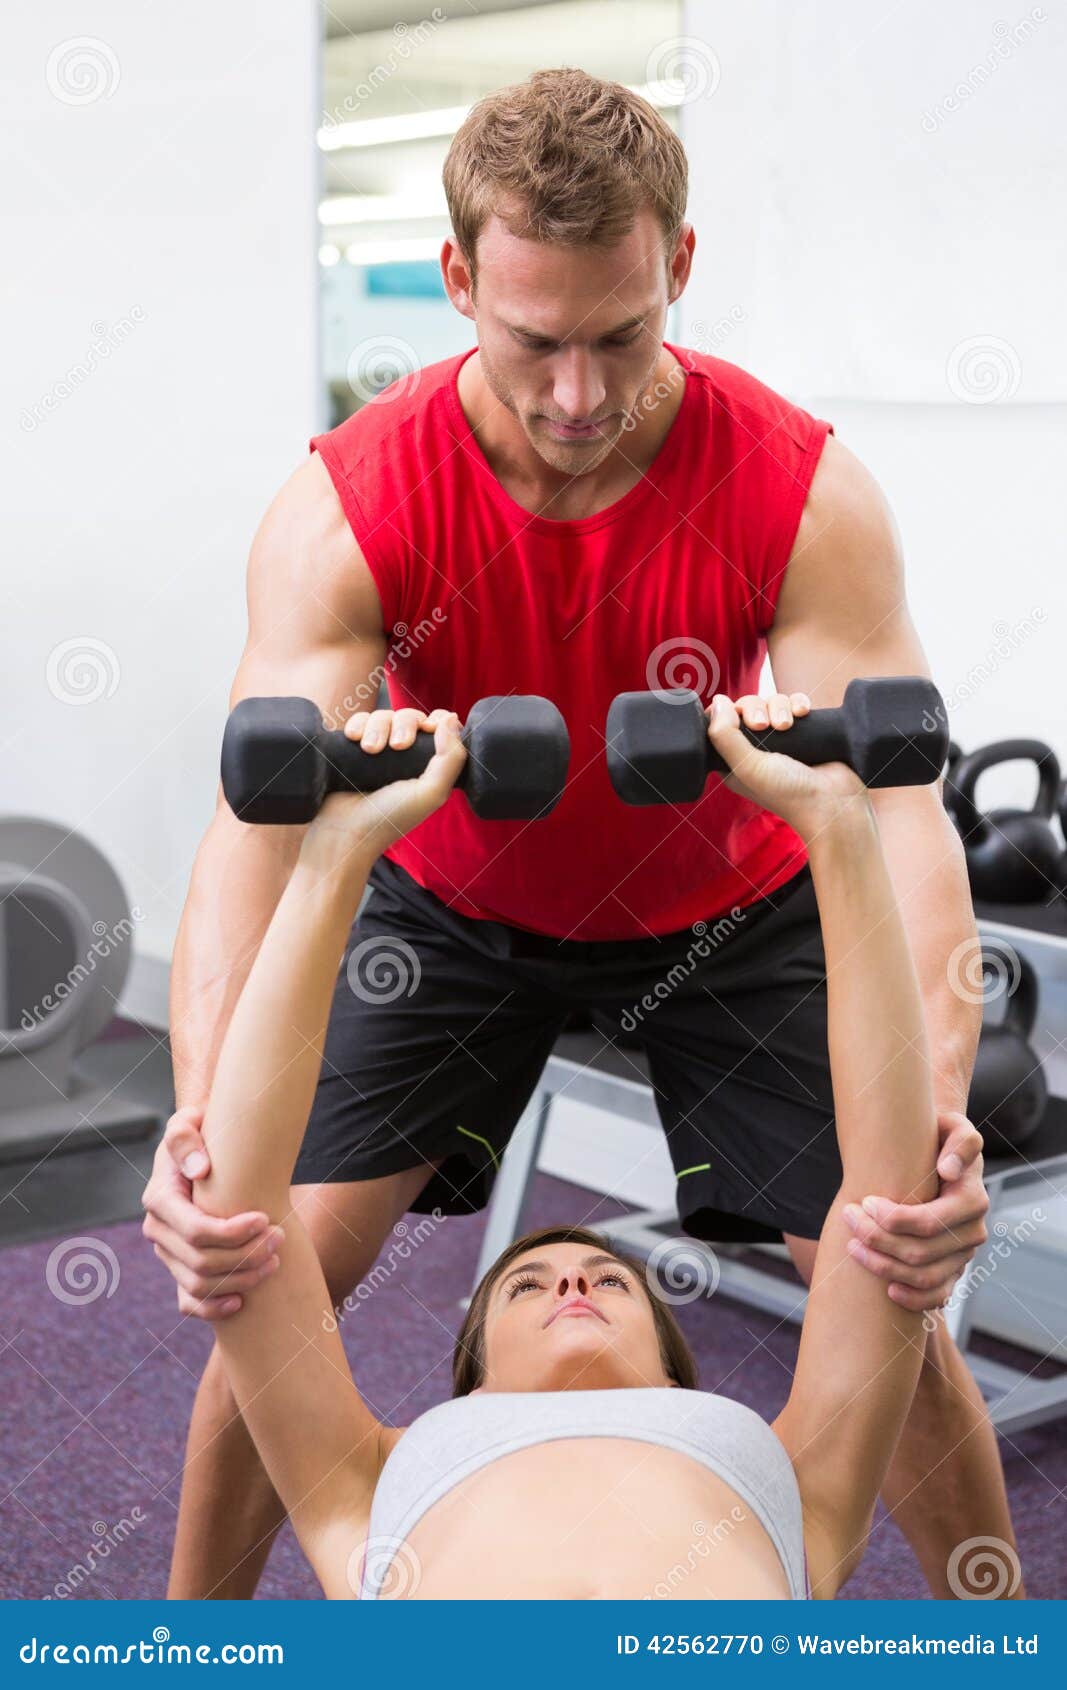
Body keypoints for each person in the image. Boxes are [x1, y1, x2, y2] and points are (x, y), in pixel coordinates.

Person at [143, 68, 1016, 1600]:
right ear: (456, 281)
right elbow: (255, 828)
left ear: (678, 263)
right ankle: (188, 1645)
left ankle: (991, 1636)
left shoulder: (796, 486)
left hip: (731, 910)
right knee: (261, 1276)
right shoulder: (350, 506)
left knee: (893, 1277)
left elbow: (894, 806)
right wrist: (201, 1141)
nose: (573, 395)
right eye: (532, 340)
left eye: (618, 336)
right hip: (450, 909)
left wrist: (934, 1118)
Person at [190, 695, 951, 1601]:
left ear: (675, 1376)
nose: (572, 1284)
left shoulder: (791, 1471)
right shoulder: (372, 1472)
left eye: (605, 1281)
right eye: (530, 1285)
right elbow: (886, 1186)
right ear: (473, 1390)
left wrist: (838, 826)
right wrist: (334, 856)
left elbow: (881, 1194)